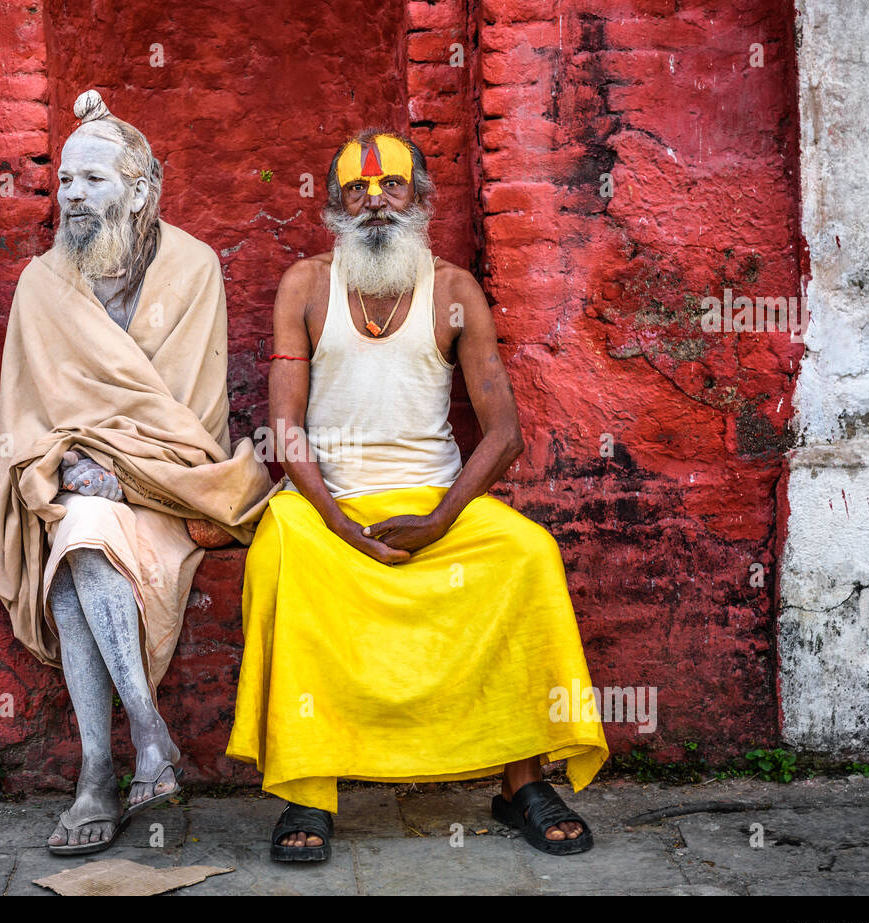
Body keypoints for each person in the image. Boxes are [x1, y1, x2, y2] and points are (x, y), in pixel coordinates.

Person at [226, 129, 608, 861]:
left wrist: (439, 519)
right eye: (357, 190)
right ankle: (307, 791)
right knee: (281, 554)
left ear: (419, 199)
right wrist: (336, 523)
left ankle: (520, 783)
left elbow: (503, 434)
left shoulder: (455, 290)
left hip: (433, 502)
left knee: (528, 554)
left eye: (391, 187)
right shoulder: (305, 285)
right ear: (336, 205)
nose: (375, 202)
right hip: (326, 502)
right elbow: (283, 431)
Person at [0, 90, 279, 856]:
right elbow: (24, 426)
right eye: (64, 182)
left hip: (173, 494)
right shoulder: (40, 286)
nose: (74, 195)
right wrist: (66, 464)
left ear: (142, 187)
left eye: (93, 179)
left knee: (86, 534)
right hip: (78, 491)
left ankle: (95, 780)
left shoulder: (193, 269)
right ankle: (143, 742)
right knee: (80, 531)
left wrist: (121, 475)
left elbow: (191, 424)